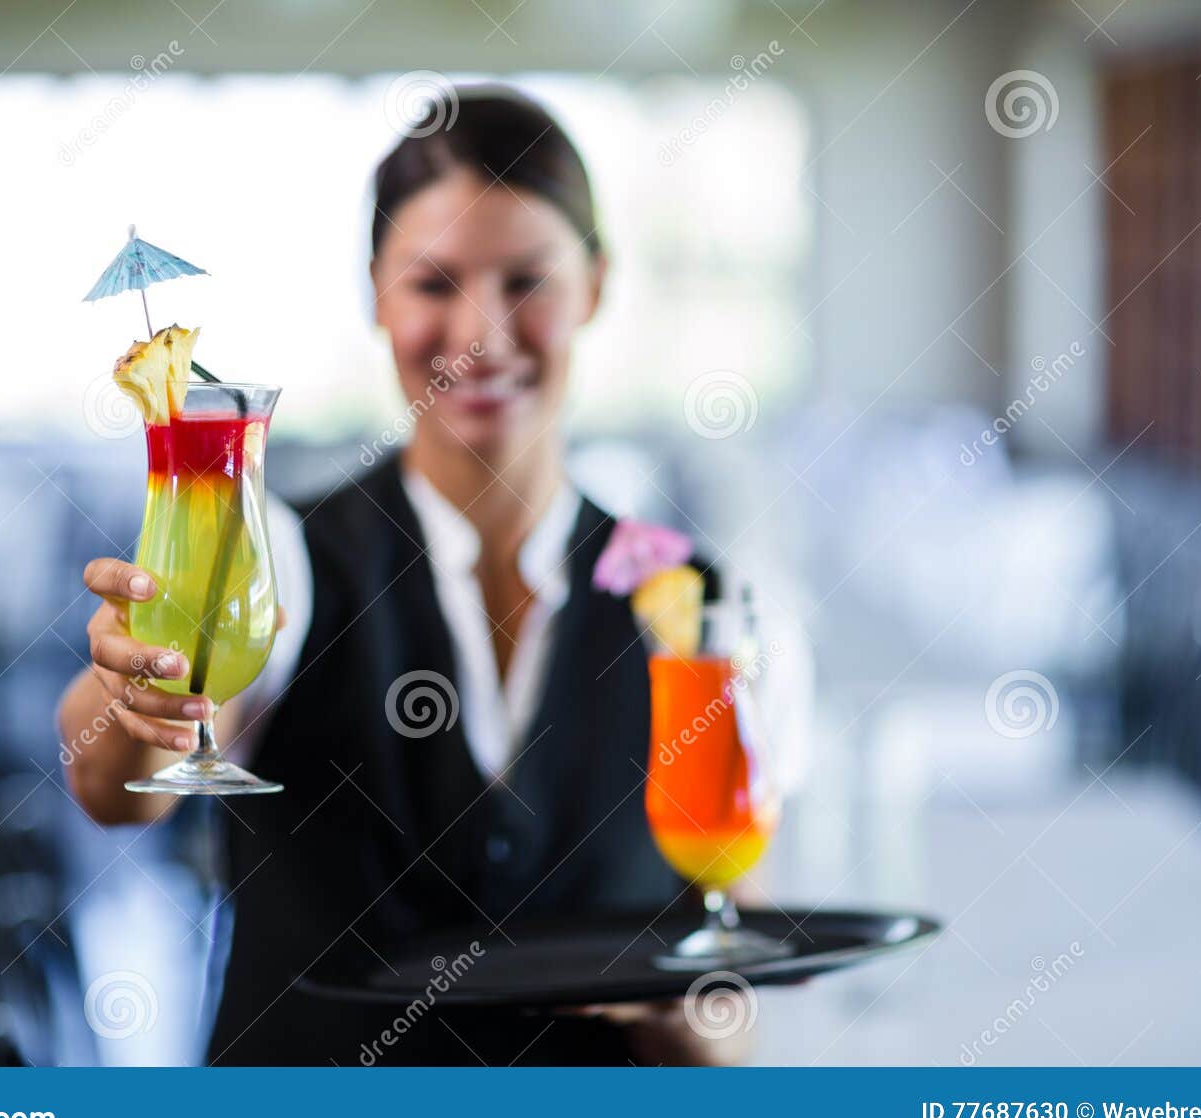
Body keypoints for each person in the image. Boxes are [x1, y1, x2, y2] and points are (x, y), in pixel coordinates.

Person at [58, 87, 751, 1065]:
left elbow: (735, 943)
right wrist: (129, 703)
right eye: (433, 283)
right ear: (374, 296)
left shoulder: (694, 601)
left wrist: (701, 1025)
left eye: (526, 281)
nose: (480, 331)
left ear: (594, 286)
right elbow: (115, 790)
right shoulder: (285, 560)